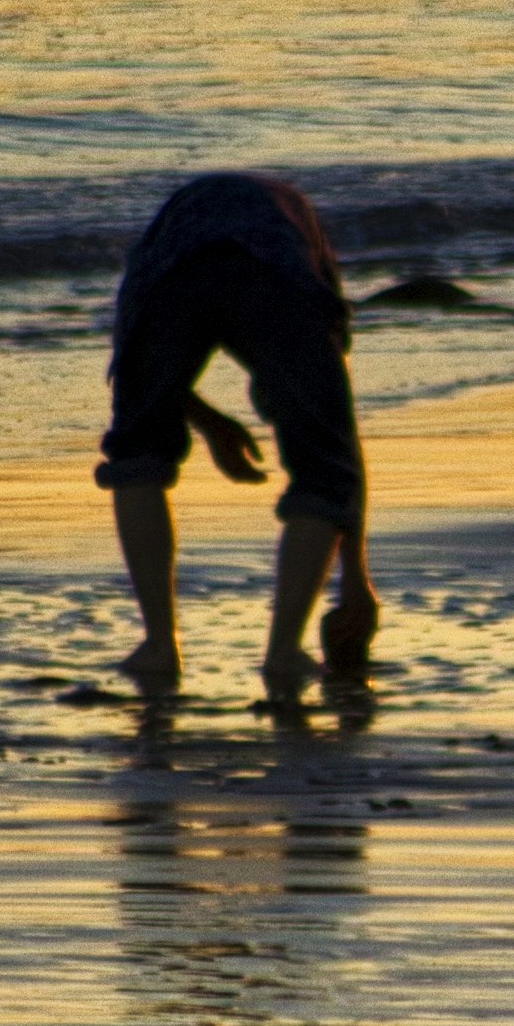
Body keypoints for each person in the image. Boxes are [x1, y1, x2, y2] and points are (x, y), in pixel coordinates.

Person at [97, 171, 378, 703]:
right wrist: (356, 581)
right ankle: (282, 652)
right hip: (267, 266)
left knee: (138, 447)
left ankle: (159, 645)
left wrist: (208, 422)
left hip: (171, 269)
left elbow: (142, 373)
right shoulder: (310, 258)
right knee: (322, 466)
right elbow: (333, 438)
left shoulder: (159, 241)